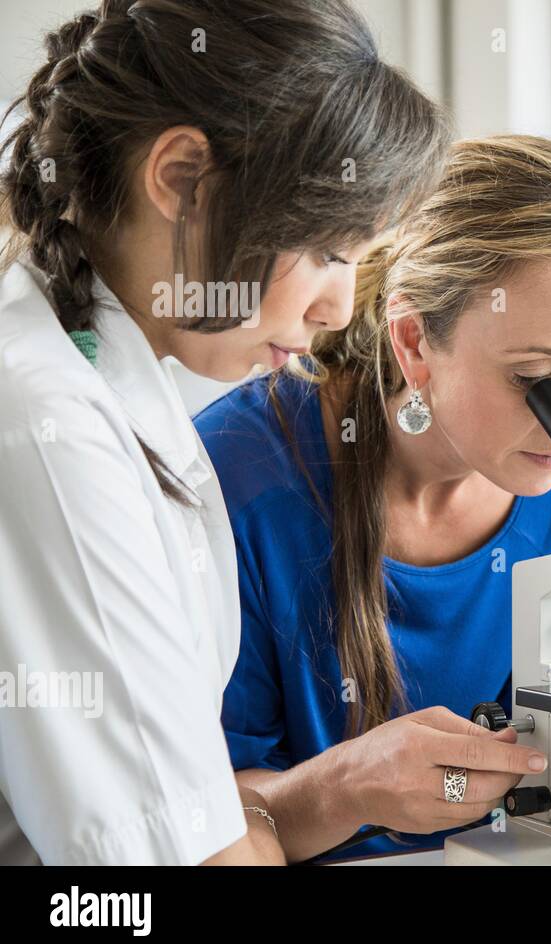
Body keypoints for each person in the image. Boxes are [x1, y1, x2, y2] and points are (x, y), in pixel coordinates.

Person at [0, 0, 447, 864]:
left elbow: (195, 805)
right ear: (181, 178)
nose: (337, 307)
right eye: (325, 249)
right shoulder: (46, 419)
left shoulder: (107, 376)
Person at [196, 135, 551, 862]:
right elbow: (191, 817)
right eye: (535, 379)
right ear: (415, 343)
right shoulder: (238, 478)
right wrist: (346, 787)